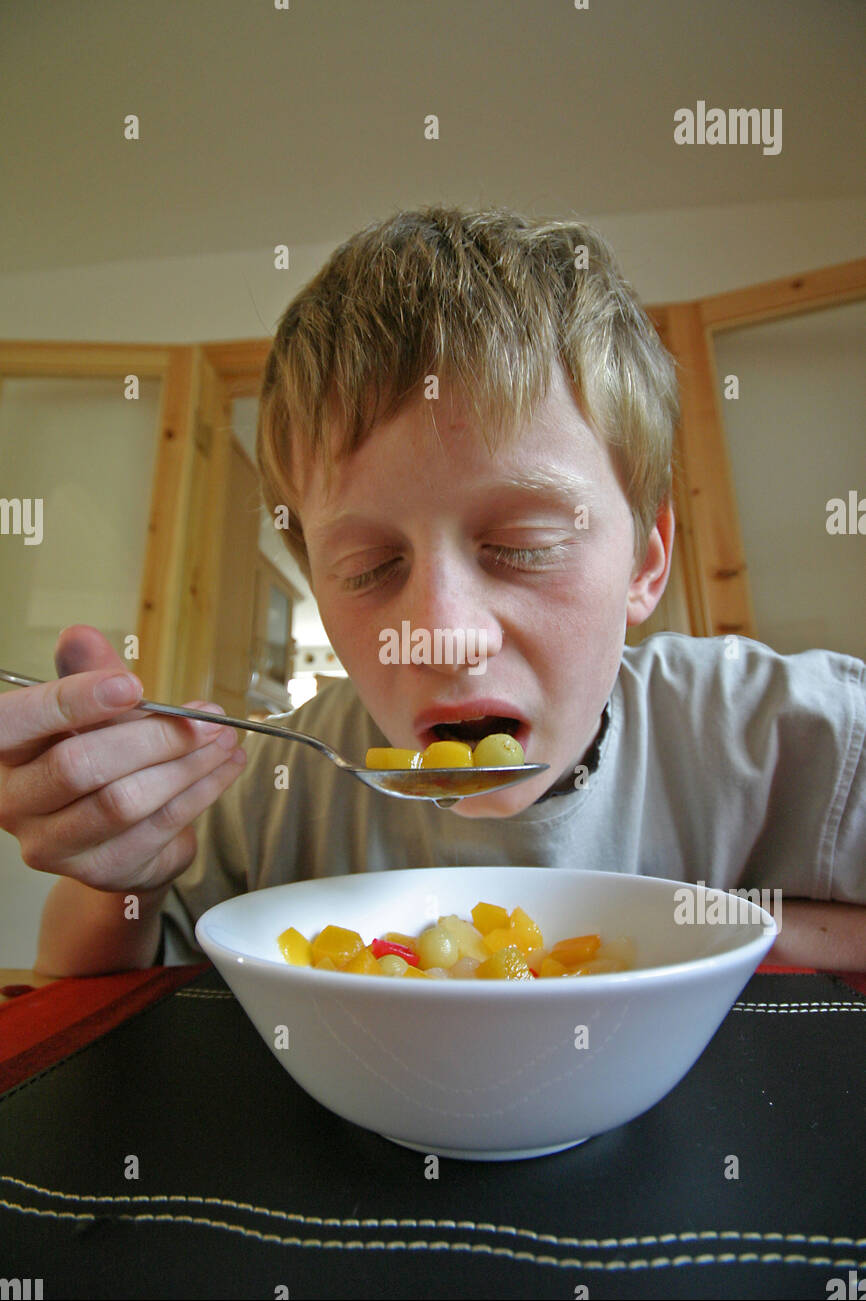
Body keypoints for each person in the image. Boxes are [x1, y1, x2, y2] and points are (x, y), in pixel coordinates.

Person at [2, 206, 863, 975]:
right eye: (369, 569)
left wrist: (750, 938)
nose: (442, 635)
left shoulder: (781, 732)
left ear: (646, 561)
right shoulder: (264, 791)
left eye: (523, 547)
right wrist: (122, 874)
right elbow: (92, 992)